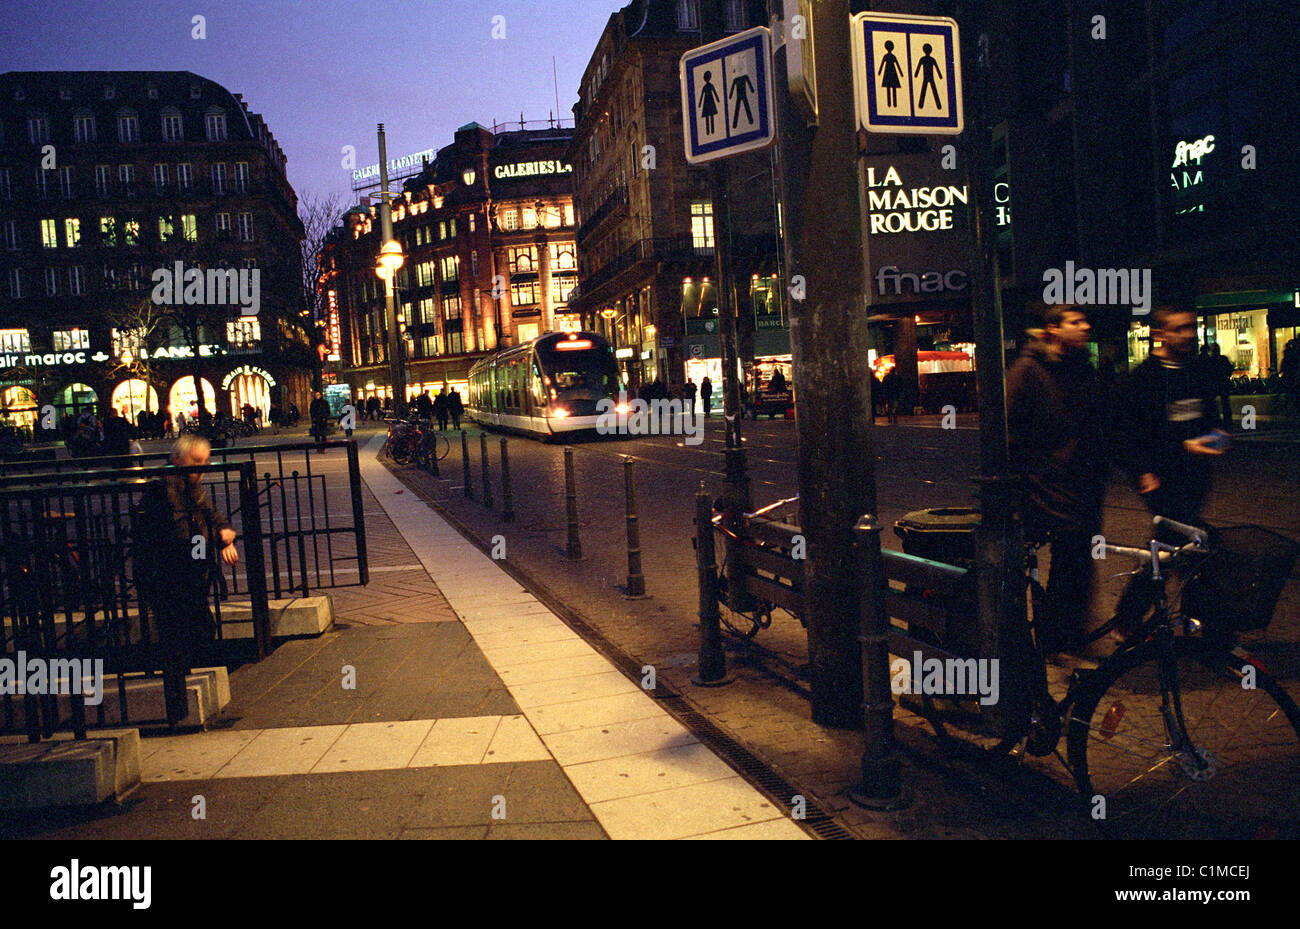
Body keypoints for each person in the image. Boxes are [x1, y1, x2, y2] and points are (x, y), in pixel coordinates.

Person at [1006, 305, 1108, 655]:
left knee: (1077, 560)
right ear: (1053, 328)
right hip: (1048, 484)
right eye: (1075, 322)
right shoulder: (1029, 370)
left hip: (1083, 482)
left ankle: (1067, 634)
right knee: (1069, 559)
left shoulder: (1083, 368)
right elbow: (1010, 433)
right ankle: (1055, 638)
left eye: (1085, 321)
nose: (1085, 327)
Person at [134, 435, 238, 725]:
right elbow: (183, 538)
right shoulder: (167, 491)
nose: (202, 467)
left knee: (194, 629)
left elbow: (215, 518)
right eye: (196, 461)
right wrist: (218, 538)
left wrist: (223, 535)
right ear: (177, 459)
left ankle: (181, 700)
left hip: (184, 575)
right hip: (167, 576)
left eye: (205, 461)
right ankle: (177, 706)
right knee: (183, 632)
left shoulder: (190, 487)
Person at [1203, 342, 1235, 426]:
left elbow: (1207, 372)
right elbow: (1229, 369)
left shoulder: (1210, 360)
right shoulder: (1223, 359)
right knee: (1225, 402)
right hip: (1222, 382)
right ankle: (1227, 420)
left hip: (1214, 383)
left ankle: (1215, 420)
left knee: (1213, 402)